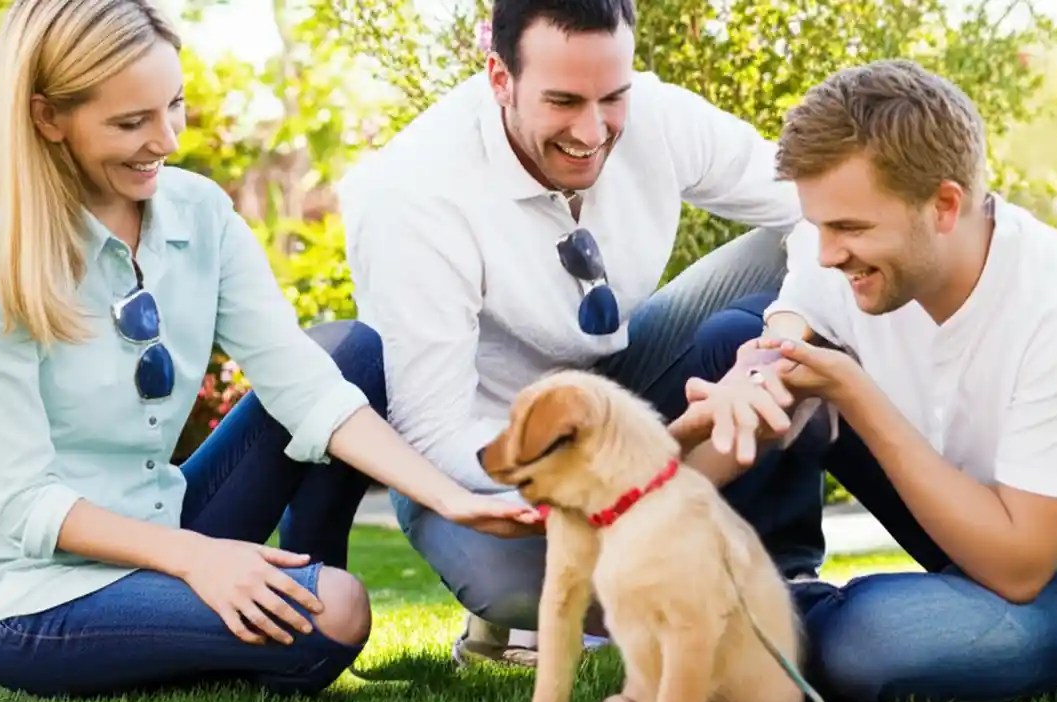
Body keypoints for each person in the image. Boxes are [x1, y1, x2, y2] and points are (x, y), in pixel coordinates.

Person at [0, 0, 536, 699]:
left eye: (175, 106)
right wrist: (198, 559)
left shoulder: (199, 215)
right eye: (131, 123)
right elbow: (20, 502)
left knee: (353, 352)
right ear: (47, 118)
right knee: (337, 609)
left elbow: (306, 387)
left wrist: (452, 497)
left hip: (165, 522)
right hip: (33, 596)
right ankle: (290, 619)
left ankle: (298, 588)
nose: (165, 139)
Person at [678, 59, 1057, 702]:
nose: (827, 252)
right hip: (965, 522)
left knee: (871, 643)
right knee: (737, 337)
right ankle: (754, 601)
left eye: (849, 229)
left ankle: (748, 631)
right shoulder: (865, 259)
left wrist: (855, 395)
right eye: (819, 225)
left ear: (945, 205)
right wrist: (755, 371)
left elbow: (1019, 567)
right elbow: (795, 305)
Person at [337, 0, 831, 665]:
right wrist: (610, 485)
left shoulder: (657, 116)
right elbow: (433, 433)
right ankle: (513, 621)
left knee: (814, 245)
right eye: (563, 101)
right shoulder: (416, 197)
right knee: (519, 587)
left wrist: (777, 339)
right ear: (500, 79)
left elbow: (815, 205)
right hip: (482, 458)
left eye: (613, 97)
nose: (593, 130)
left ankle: (786, 567)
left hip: (615, 386)